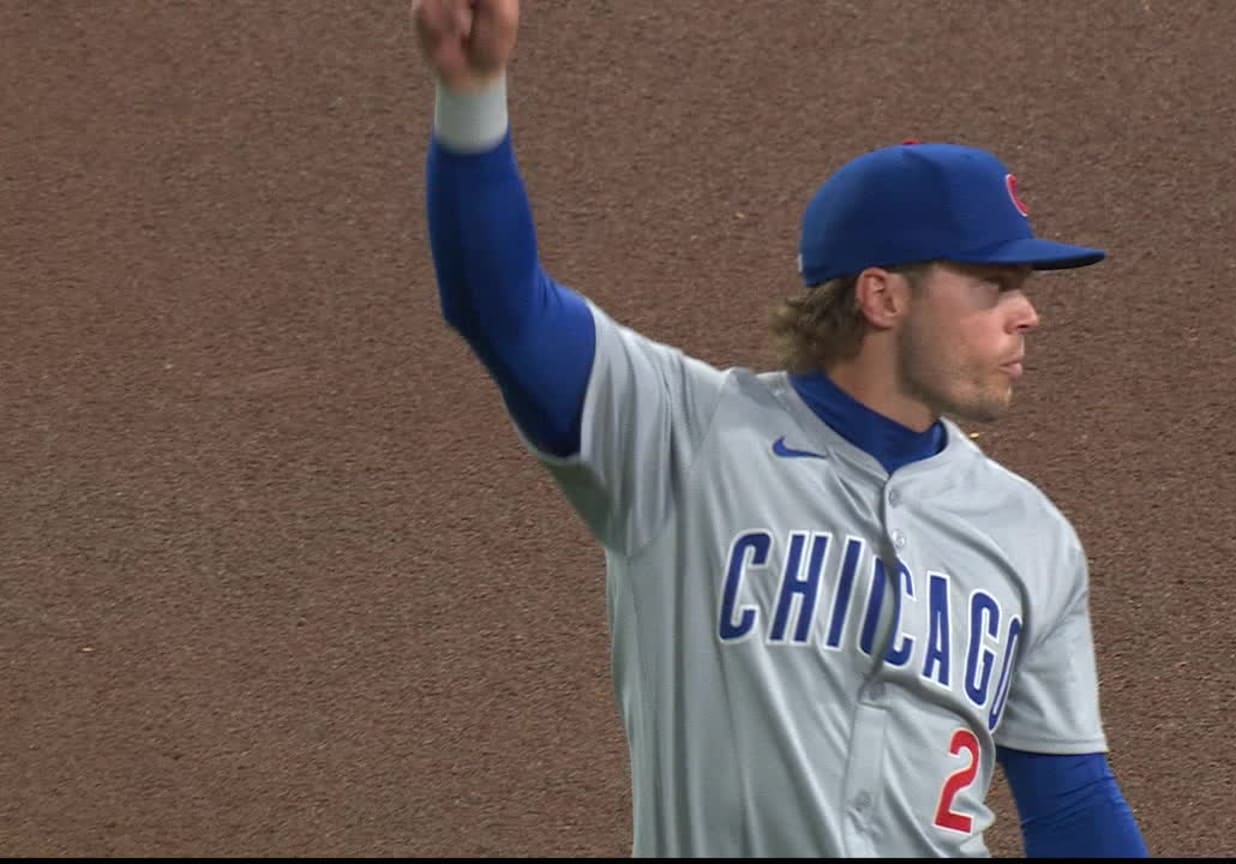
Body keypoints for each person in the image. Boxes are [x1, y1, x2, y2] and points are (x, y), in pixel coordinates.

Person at [410, 0, 1149, 857]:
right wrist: (472, 98)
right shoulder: (681, 439)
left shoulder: (1033, 538)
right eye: (994, 282)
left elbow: (1071, 805)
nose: (1027, 315)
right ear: (883, 295)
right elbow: (500, 310)